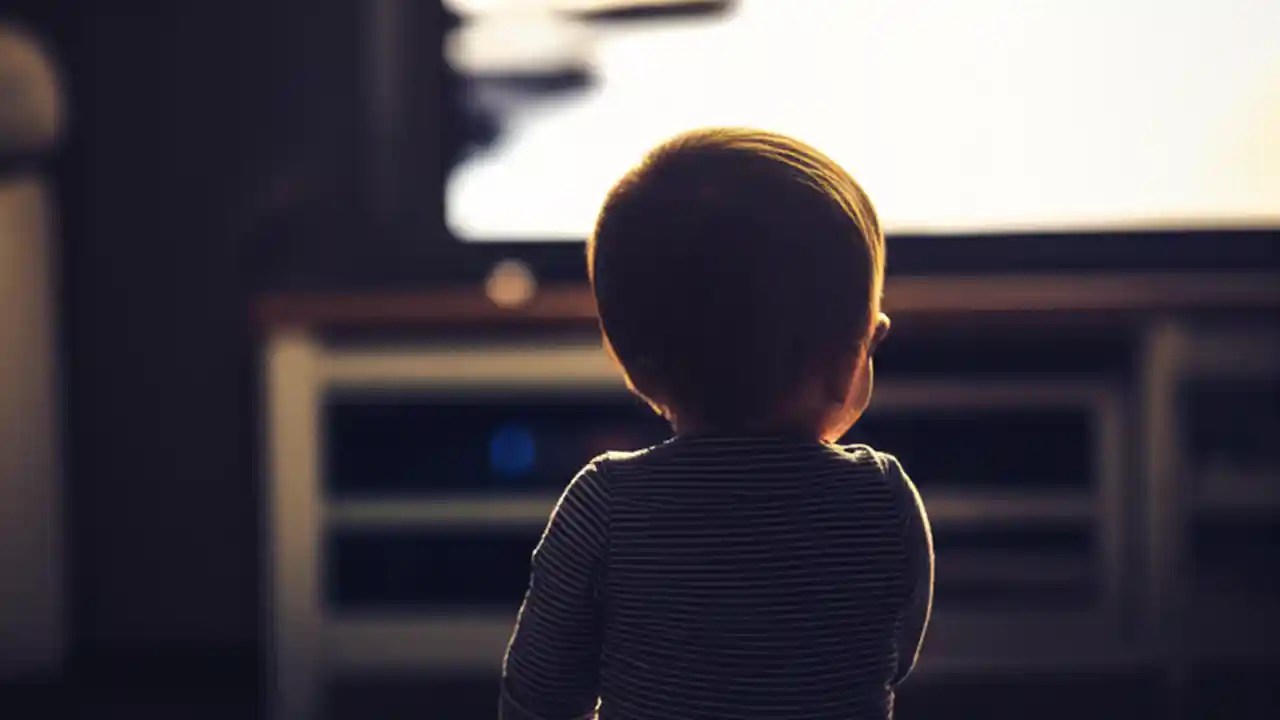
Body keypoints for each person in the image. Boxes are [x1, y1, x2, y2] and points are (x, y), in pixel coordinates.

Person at [501, 128, 933, 720]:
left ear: (633, 363)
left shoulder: (605, 503)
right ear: (849, 362)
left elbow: (541, 693)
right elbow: (893, 655)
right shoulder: (881, 496)